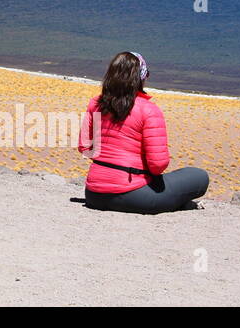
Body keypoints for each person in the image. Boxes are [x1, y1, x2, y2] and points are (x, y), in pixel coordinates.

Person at [77, 51, 209, 214]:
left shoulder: (96, 104)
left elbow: (85, 148)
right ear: (140, 78)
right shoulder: (149, 110)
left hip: (94, 193)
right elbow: (157, 165)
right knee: (199, 176)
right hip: (133, 194)